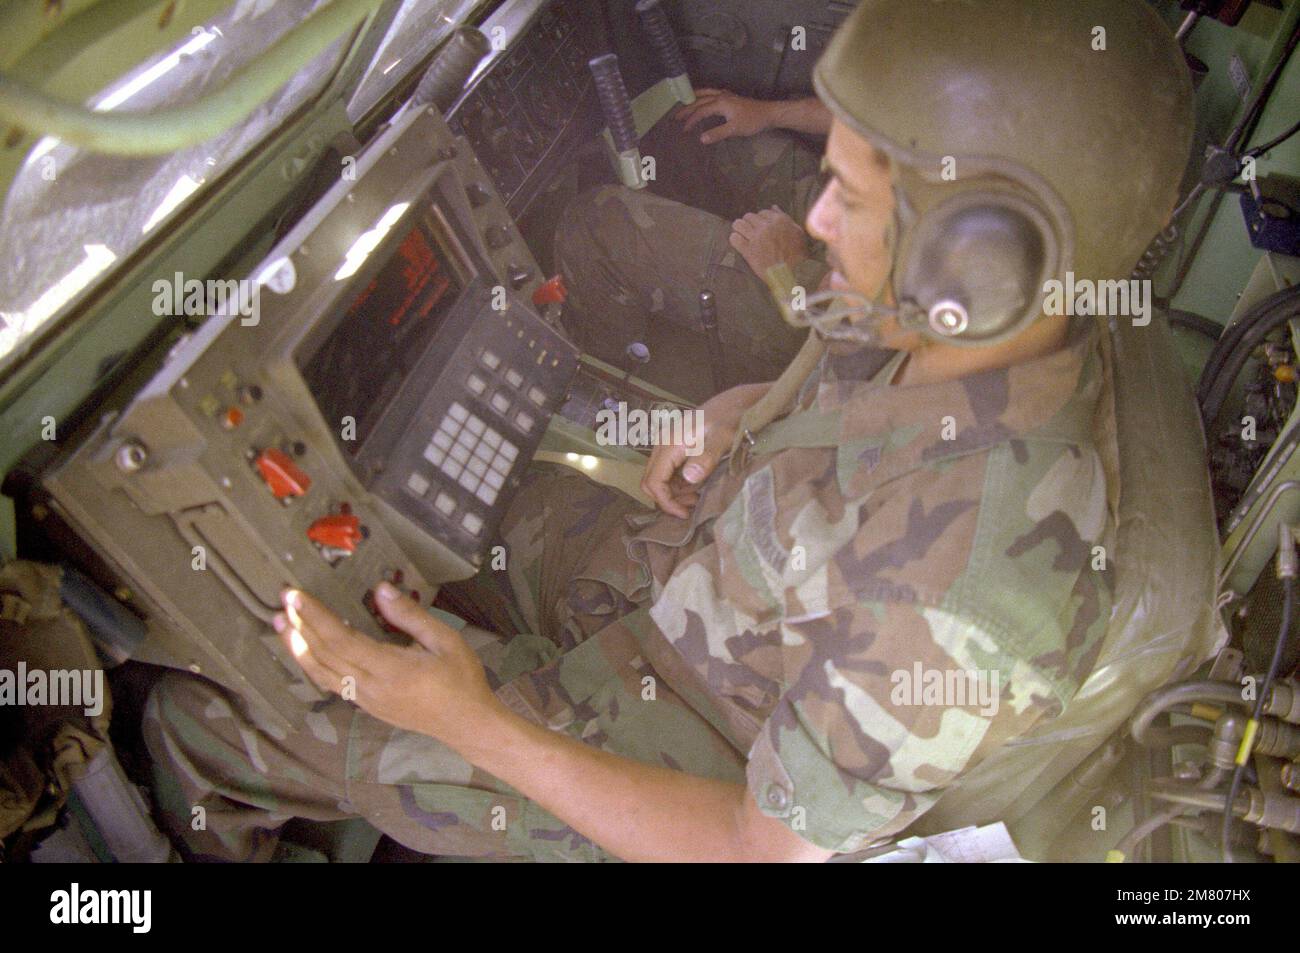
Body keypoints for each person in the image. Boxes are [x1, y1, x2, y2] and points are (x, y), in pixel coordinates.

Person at [143, 0, 1195, 861]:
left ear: (974, 259)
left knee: (226, 711)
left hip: (662, 766)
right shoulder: (973, 320)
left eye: (847, 192)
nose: (816, 220)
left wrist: (471, 720)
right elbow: (838, 375)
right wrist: (736, 412)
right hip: (684, 578)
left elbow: (754, 848)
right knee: (442, 510)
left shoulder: (962, 607)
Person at [554, 89, 835, 400]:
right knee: (696, 132)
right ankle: (659, 286)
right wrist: (769, 112)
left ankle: (604, 378)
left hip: (828, 311)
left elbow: (876, 326)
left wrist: (794, 270)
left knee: (594, 225)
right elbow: (892, 124)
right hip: (859, 232)